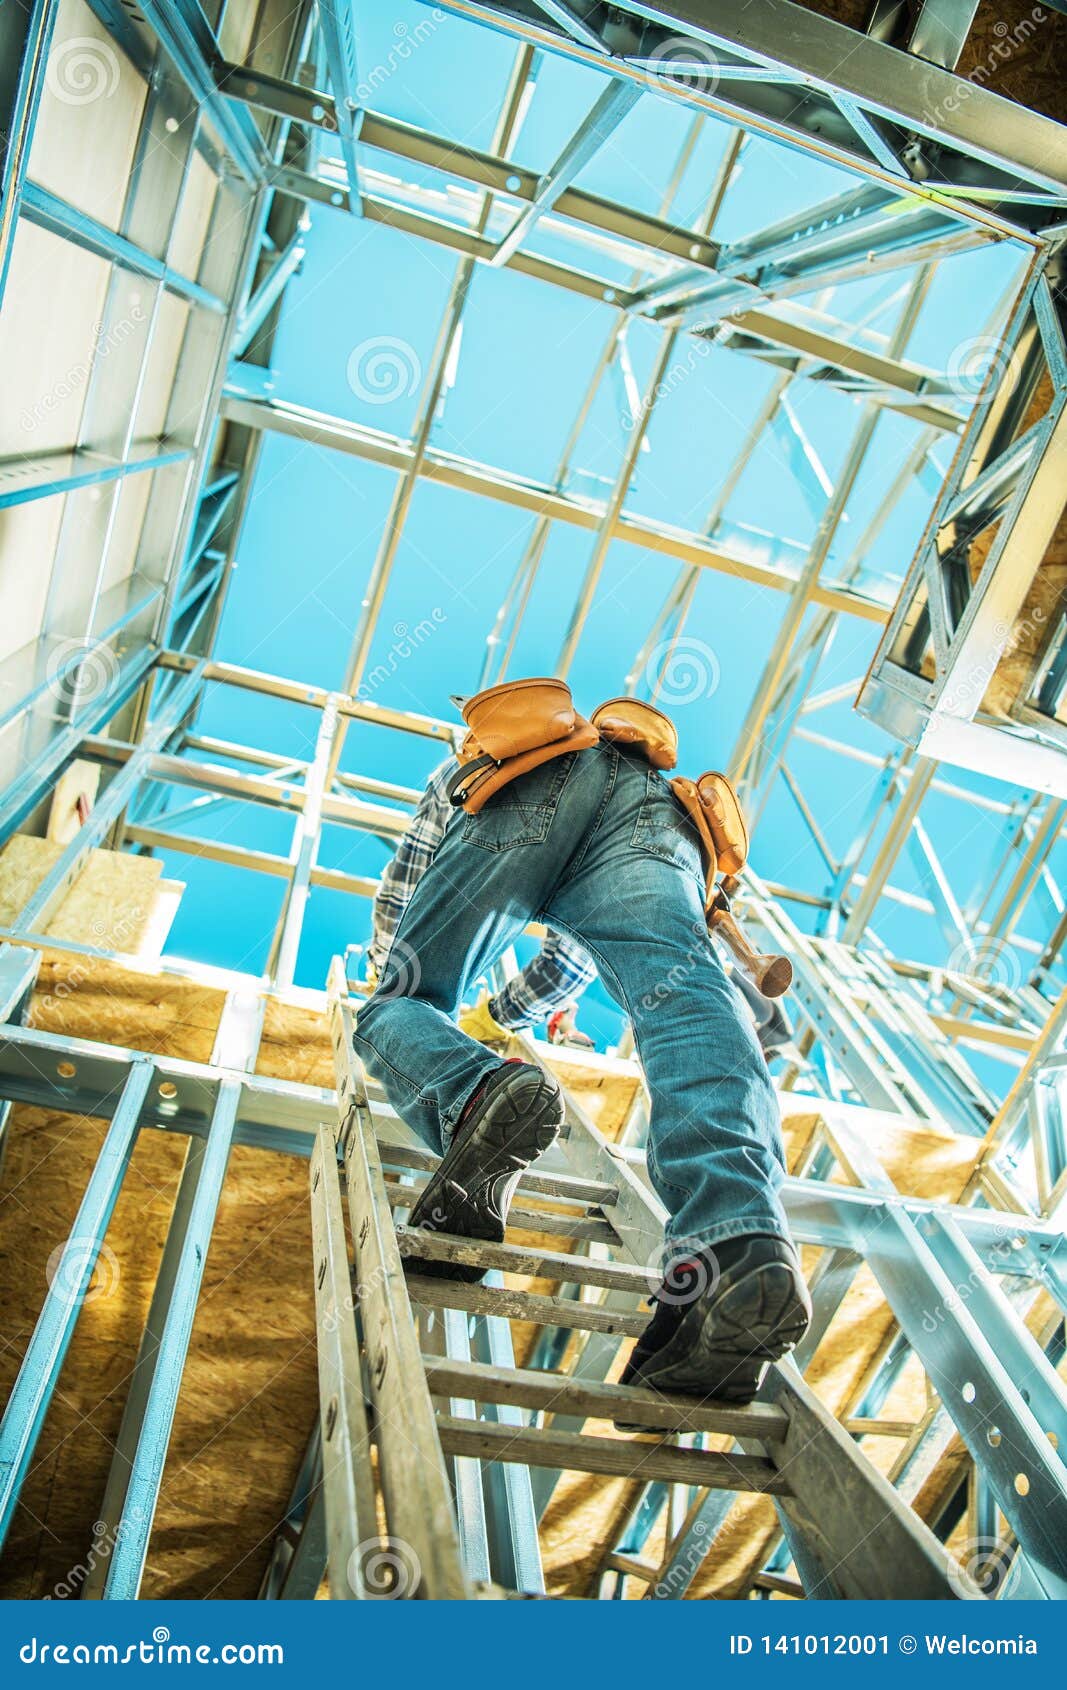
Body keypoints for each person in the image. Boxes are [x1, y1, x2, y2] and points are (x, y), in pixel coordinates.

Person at [355, 731, 810, 1406]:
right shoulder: (623, 797)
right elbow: (566, 967)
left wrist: (407, 992)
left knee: (397, 1004)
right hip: (660, 814)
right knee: (687, 1000)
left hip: (525, 772)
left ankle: (474, 1093)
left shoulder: (490, 754)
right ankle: (736, 1241)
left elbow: (410, 882)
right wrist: (504, 1014)